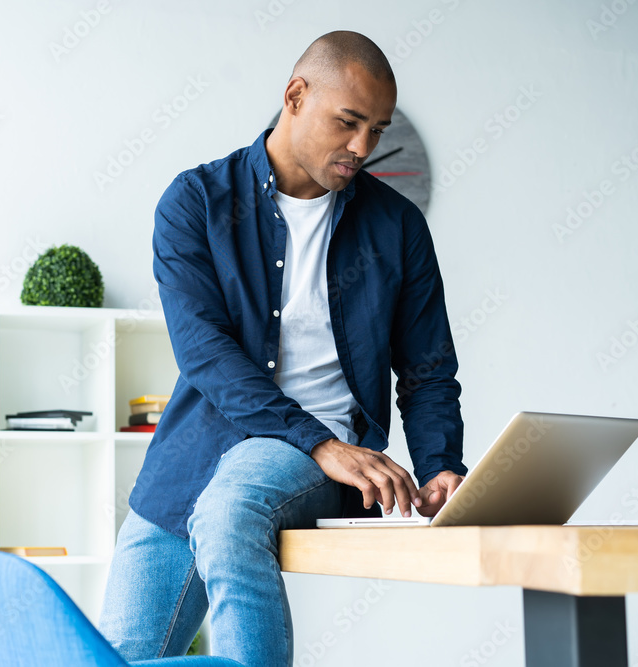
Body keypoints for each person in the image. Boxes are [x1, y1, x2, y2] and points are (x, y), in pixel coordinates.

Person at [98, 30, 467, 666]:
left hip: (316, 462)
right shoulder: (195, 202)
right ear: (295, 95)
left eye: (376, 131)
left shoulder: (398, 226)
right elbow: (206, 354)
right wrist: (318, 439)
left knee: (232, 505)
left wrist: (440, 466)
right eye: (348, 122)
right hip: (190, 462)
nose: (361, 149)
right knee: (120, 657)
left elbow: (427, 370)